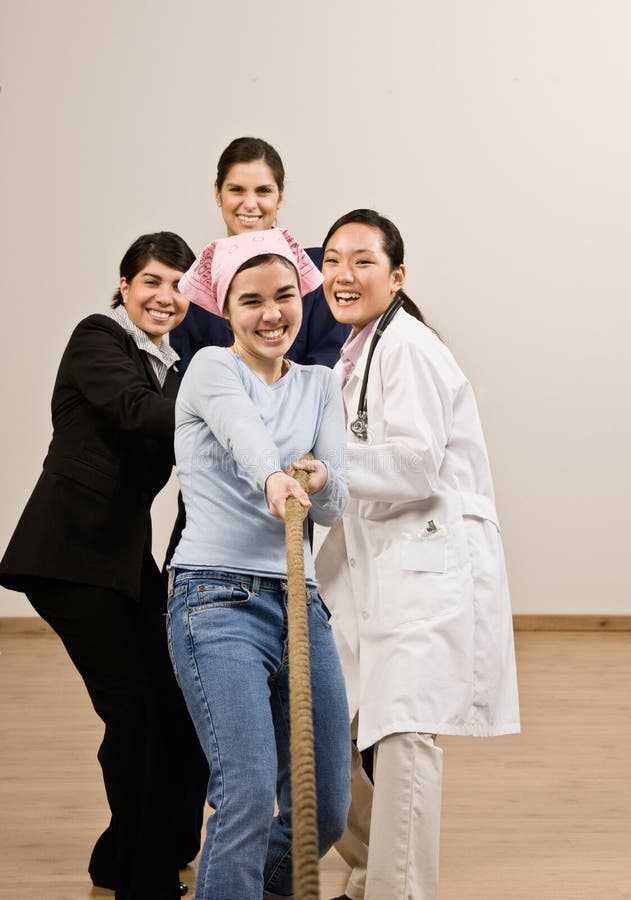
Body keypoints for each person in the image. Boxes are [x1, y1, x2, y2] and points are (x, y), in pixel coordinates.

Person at [313, 210, 521, 900]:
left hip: (423, 572)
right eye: (333, 260)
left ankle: (397, 891)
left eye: (362, 261)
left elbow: (416, 466)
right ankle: (374, 867)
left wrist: (324, 464)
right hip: (379, 574)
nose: (343, 274)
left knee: (402, 740)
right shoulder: (356, 355)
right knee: (325, 731)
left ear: (396, 276)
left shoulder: (407, 348)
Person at [0, 232, 201, 900]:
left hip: (120, 558)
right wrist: (230, 416)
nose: (164, 297)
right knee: (135, 706)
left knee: (177, 700)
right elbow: (135, 412)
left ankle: (140, 852)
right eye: (151, 282)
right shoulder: (98, 338)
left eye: (177, 285)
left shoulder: (173, 368)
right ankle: (140, 875)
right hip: (68, 553)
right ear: (124, 286)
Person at [167, 228, 352, 899]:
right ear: (225, 308)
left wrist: (322, 472)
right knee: (245, 796)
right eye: (251, 301)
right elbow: (244, 433)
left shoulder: (321, 383)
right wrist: (274, 479)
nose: (271, 312)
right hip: (216, 601)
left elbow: (333, 508)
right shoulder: (212, 369)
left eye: (282, 296)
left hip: (301, 605)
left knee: (325, 812)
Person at [169, 135, 350, 374]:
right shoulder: (194, 289)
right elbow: (189, 382)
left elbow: (328, 369)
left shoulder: (315, 273)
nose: (250, 203)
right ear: (217, 193)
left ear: (280, 197)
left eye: (263, 191)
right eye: (237, 190)